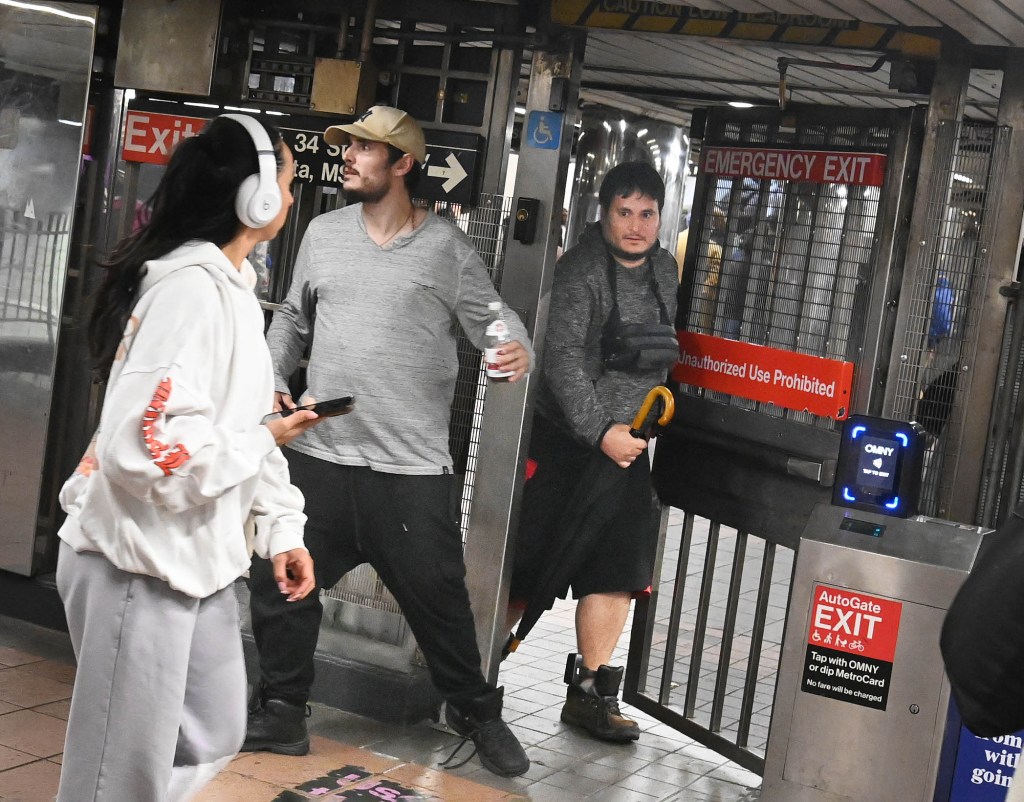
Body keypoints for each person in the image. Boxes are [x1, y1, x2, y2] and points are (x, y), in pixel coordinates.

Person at [243, 105, 534, 778]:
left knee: (442, 603)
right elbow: (292, 319)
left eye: (364, 149)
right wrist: (271, 377)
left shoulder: (446, 250)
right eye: (347, 148)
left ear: (402, 164)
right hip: (319, 456)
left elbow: (493, 319)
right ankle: (282, 709)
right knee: (280, 581)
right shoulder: (322, 233)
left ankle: (477, 713)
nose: (347, 157)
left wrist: (513, 345)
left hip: (410, 470)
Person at [54, 114, 321, 802]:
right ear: (256, 197)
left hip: (191, 564)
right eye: (288, 183)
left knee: (213, 732)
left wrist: (280, 529)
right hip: (133, 564)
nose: (291, 198)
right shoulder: (190, 294)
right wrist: (265, 439)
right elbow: (144, 452)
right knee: (116, 775)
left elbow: (246, 423)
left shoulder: (232, 290)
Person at [506, 161, 679, 743]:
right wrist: (602, 430)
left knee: (617, 571)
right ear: (603, 214)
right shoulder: (580, 271)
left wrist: (631, 434)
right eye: (624, 212)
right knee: (523, 570)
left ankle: (590, 696)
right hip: (567, 444)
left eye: (647, 214)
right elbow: (560, 362)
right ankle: (473, 677)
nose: (635, 226)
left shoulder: (665, 270)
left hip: (628, 448)